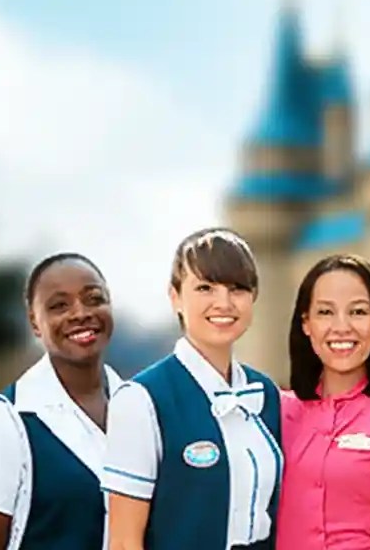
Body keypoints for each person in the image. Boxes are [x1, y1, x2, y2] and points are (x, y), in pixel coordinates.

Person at [103, 228, 282, 550]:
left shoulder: (265, 394)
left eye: (237, 288)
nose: (223, 303)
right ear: (175, 298)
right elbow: (124, 541)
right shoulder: (142, 399)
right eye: (205, 288)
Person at [0, 253, 122, 549]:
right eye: (59, 306)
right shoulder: (7, 421)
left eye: (94, 299)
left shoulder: (141, 407)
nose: (80, 313)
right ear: (34, 322)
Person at [276, 254, 370, 550]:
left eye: (358, 312)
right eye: (325, 312)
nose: (342, 327)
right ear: (306, 323)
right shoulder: (275, 412)